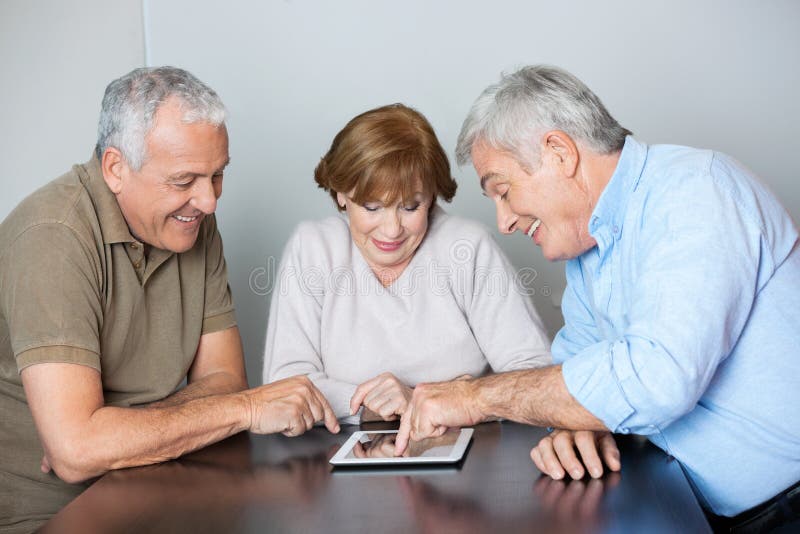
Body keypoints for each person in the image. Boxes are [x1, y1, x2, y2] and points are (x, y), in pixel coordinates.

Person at [394, 65, 800, 530]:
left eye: (502, 192)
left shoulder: (694, 190)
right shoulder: (588, 251)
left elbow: (658, 380)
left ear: (559, 152)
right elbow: (573, 374)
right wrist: (571, 425)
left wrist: (474, 398)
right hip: (703, 511)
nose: (503, 221)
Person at [0, 66, 337, 533]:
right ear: (116, 168)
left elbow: (224, 379)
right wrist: (245, 409)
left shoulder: (191, 221)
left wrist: (114, 432)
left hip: (159, 482)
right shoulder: (53, 236)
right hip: (56, 514)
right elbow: (76, 455)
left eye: (217, 175)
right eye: (184, 180)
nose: (209, 200)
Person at [263, 103, 550, 424]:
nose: (391, 230)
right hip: (336, 455)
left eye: (411, 207)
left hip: (470, 452)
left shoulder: (467, 246)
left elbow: (533, 372)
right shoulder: (313, 248)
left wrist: (431, 400)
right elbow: (285, 387)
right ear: (341, 193)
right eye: (372, 207)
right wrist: (372, 404)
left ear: (431, 196)